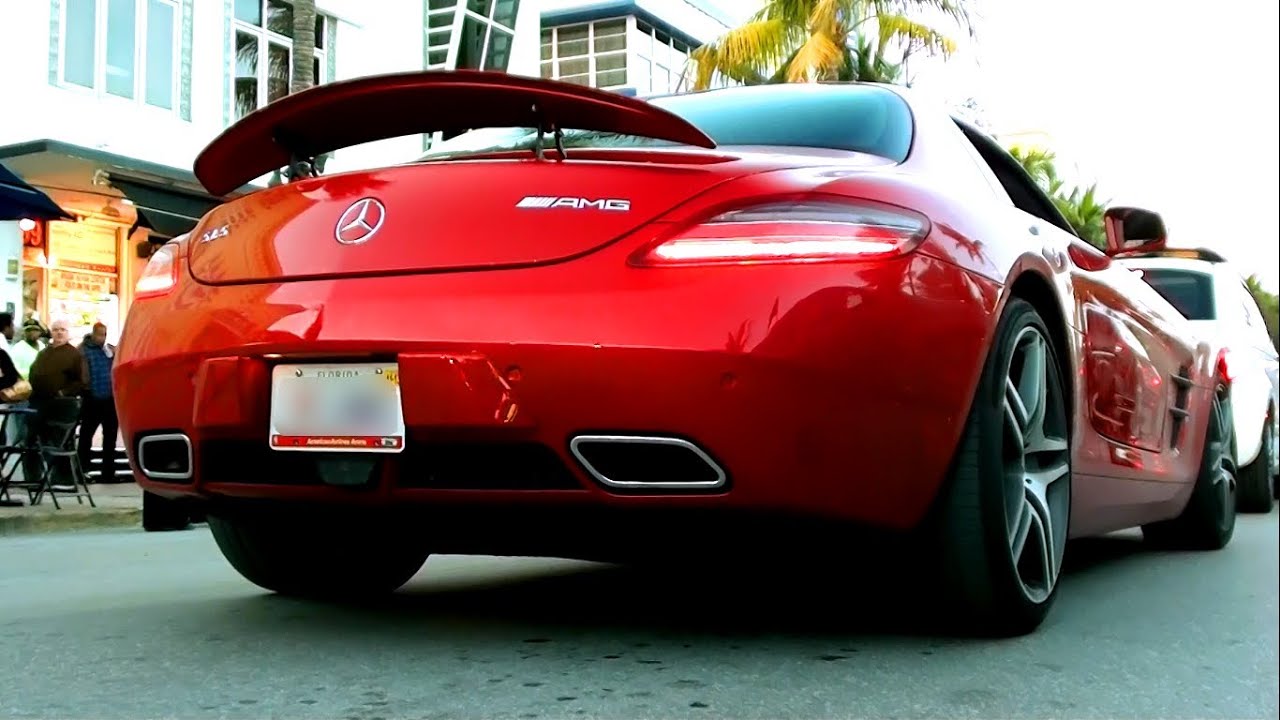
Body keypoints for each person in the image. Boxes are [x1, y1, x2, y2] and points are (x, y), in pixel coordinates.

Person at [24, 318, 88, 488]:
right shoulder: (44, 353)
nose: (59, 332)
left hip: (60, 405)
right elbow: (33, 372)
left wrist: (63, 392)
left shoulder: (74, 354)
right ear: (51, 332)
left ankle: (62, 480)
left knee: (59, 442)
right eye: (56, 329)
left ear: (68, 333)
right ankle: (32, 479)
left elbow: (80, 381)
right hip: (38, 403)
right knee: (30, 441)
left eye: (63, 330)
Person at [78, 322, 121, 483]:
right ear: (93, 334)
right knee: (86, 436)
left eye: (104, 334)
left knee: (110, 437)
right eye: (99, 334)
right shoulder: (83, 350)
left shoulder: (108, 350)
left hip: (109, 399)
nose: (101, 338)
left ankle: (108, 472)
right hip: (92, 399)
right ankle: (82, 470)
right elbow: (84, 376)